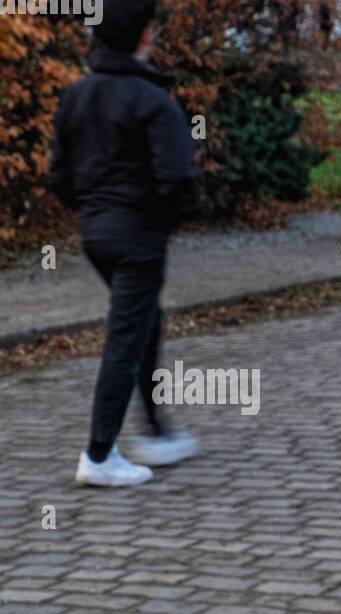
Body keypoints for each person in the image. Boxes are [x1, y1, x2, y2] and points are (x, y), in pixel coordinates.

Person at [48, 0, 201, 487]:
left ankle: (155, 430)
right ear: (140, 37)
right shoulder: (153, 99)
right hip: (139, 236)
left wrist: (94, 208)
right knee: (126, 339)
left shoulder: (75, 95)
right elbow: (177, 176)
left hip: (97, 233)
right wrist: (163, 219)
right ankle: (98, 455)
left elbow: (58, 175)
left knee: (143, 323)